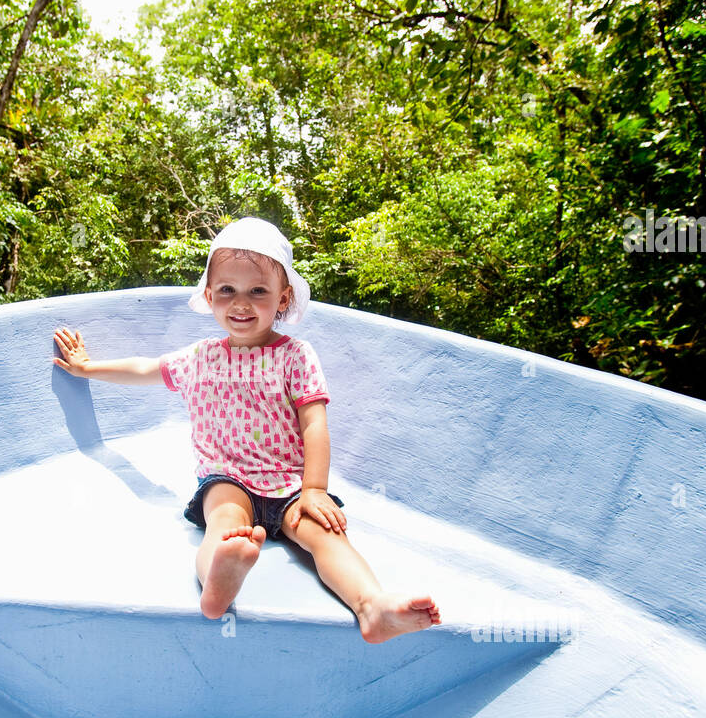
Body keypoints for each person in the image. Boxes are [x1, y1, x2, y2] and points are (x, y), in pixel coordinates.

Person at [52, 216, 440, 643]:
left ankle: (372, 606)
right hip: (228, 476)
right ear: (209, 295)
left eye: (258, 291)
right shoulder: (201, 357)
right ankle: (219, 580)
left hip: (291, 483)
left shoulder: (295, 355)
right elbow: (145, 368)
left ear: (283, 298)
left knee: (325, 535)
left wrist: (313, 489)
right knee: (225, 523)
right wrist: (88, 367)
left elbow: (315, 423)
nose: (241, 303)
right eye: (227, 291)